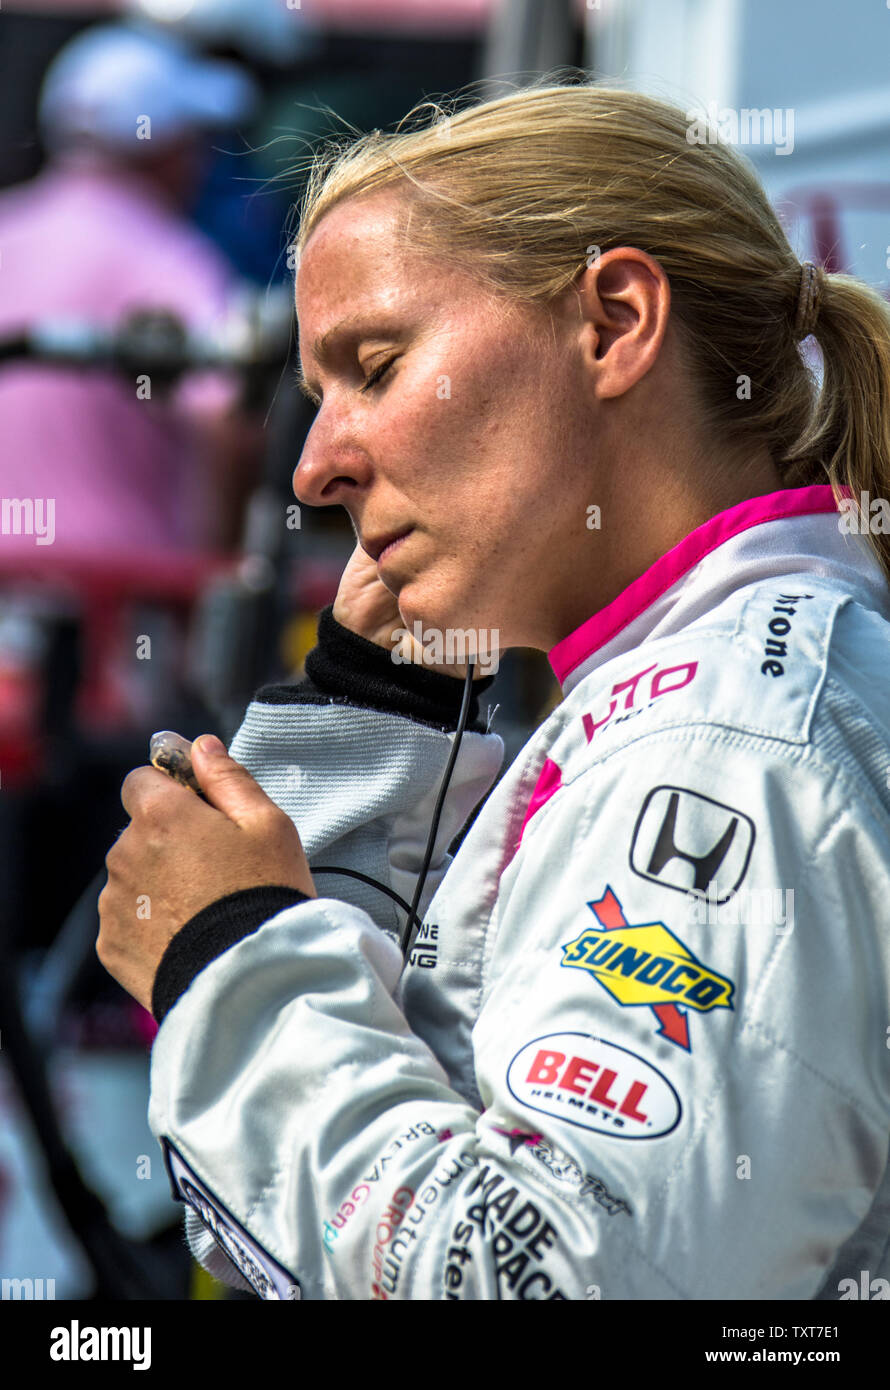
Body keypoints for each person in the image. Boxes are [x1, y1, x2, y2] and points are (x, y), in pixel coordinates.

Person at [97, 81, 890, 1300]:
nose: (317, 468)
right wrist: (372, 758)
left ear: (614, 323)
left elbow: (559, 1279)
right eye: (316, 400)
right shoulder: (714, 687)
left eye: (374, 365)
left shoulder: (724, 747)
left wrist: (232, 956)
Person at [0, 23, 258, 555]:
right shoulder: (164, 259)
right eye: (194, 139)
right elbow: (229, 418)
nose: (201, 159)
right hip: (115, 604)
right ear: (164, 146)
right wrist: (219, 576)